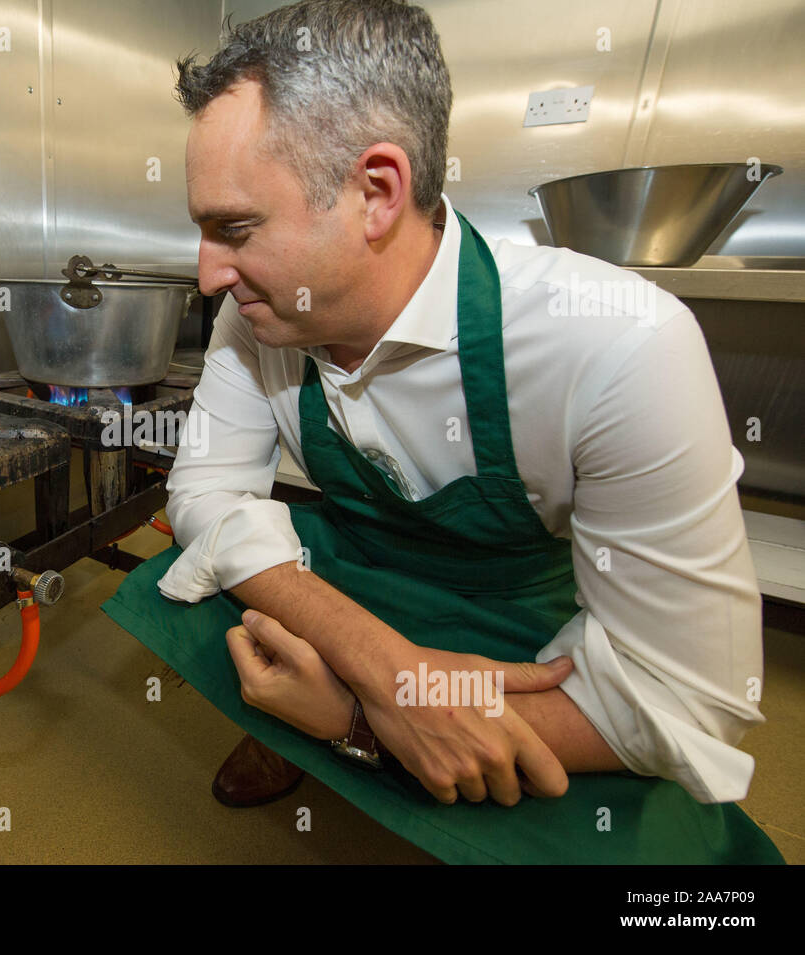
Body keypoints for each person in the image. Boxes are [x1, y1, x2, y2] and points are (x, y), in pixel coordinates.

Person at [102, 0, 780, 864]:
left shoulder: (616, 341)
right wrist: (378, 663)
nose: (207, 273)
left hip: (518, 628)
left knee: (672, 863)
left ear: (375, 193)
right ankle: (311, 717)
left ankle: (329, 729)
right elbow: (203, 489)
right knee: (176, 586)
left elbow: (685, 698)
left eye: (234, 228)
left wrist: (362, 719)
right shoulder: (253, 316)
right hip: (356, 585)